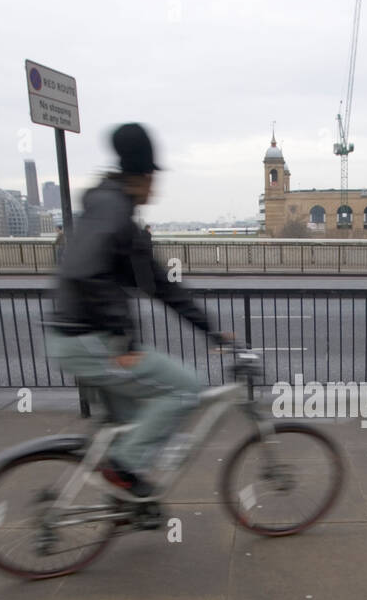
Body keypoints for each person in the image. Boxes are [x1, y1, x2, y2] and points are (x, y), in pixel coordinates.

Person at [46, 123, 232, 499]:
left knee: (134, 425)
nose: (156, 188)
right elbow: (85, 272)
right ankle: (122, 472)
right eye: (154, 178)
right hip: (90, 341)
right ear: (144, 177)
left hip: (74, 337)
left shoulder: (113, 211)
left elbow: (161, 286)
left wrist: (212, 331)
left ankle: (129, 503)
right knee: (186, 389)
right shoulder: (113, 212)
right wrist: (125, 341)